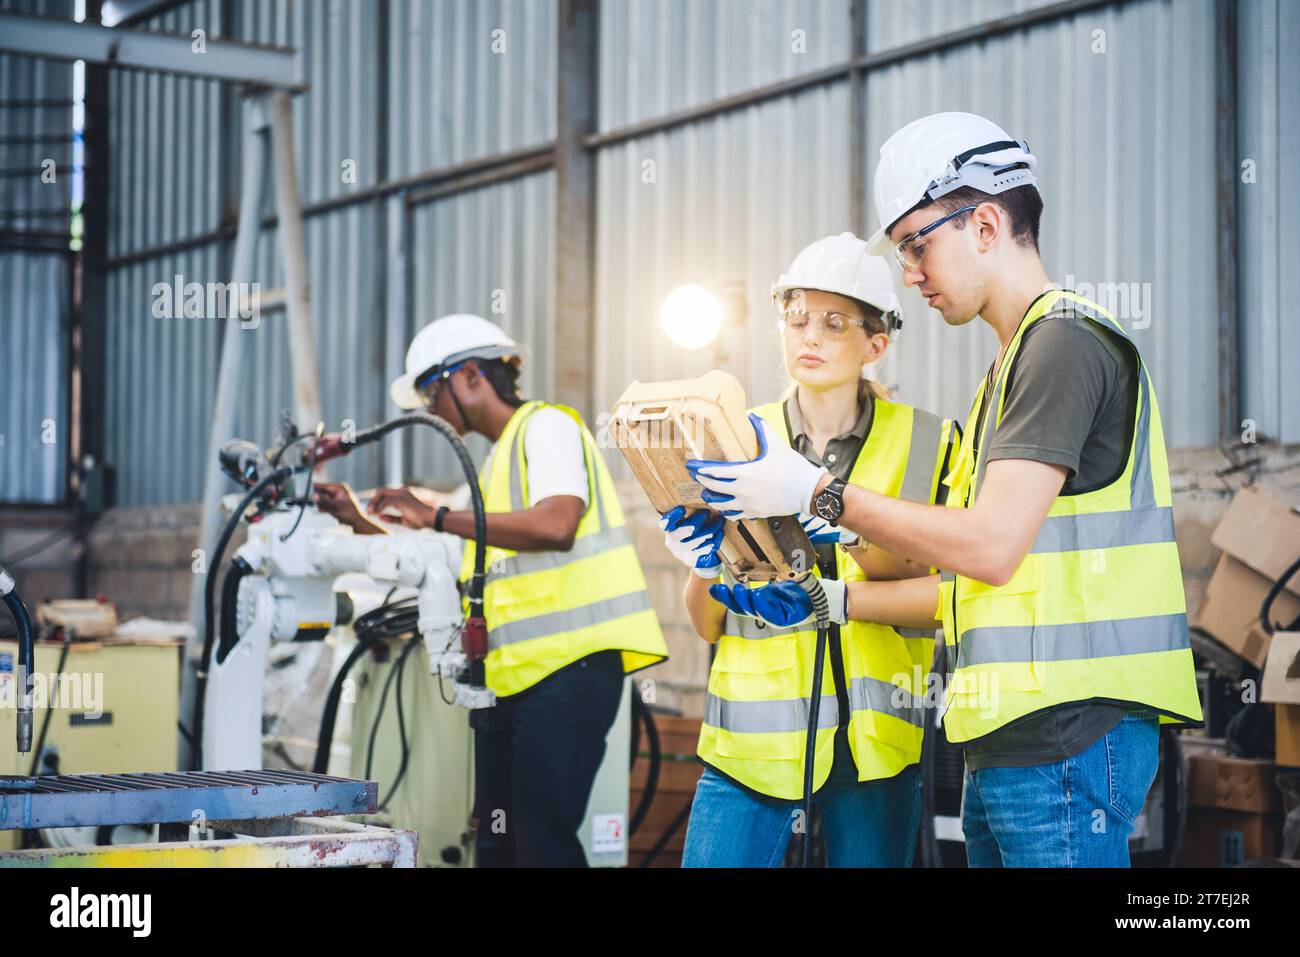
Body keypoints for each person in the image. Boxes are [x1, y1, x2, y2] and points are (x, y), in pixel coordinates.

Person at [690, 113, 1204, 868]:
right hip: (1011, 736)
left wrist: (821, 496)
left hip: (1064, 735)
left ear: (987, 223)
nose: (910, 271)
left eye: (917, 243)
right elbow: (967, 568)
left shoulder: (1062, 344)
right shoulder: (1007, 367)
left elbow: (990, 549)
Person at [315, 312, 668, 867]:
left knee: (541, 845)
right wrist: (358, 518)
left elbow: (556, 524)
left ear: (472, 374)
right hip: (515, 683)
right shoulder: (495, 467)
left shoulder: (547, 427)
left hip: (569, 672)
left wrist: (432, 514)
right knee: (499, 844)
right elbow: (442, 550)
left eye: (433, 393)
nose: (432, 411)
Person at [661, 234, 959, 867]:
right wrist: (703, 564)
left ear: (877, 343)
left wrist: (848, 529)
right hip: (752, 748)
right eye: (797, 320)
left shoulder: (930, 440)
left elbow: (940, 599)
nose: (810, 337)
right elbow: (707, 621)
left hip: (876, 745)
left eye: (833, 323)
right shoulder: (734, 435)